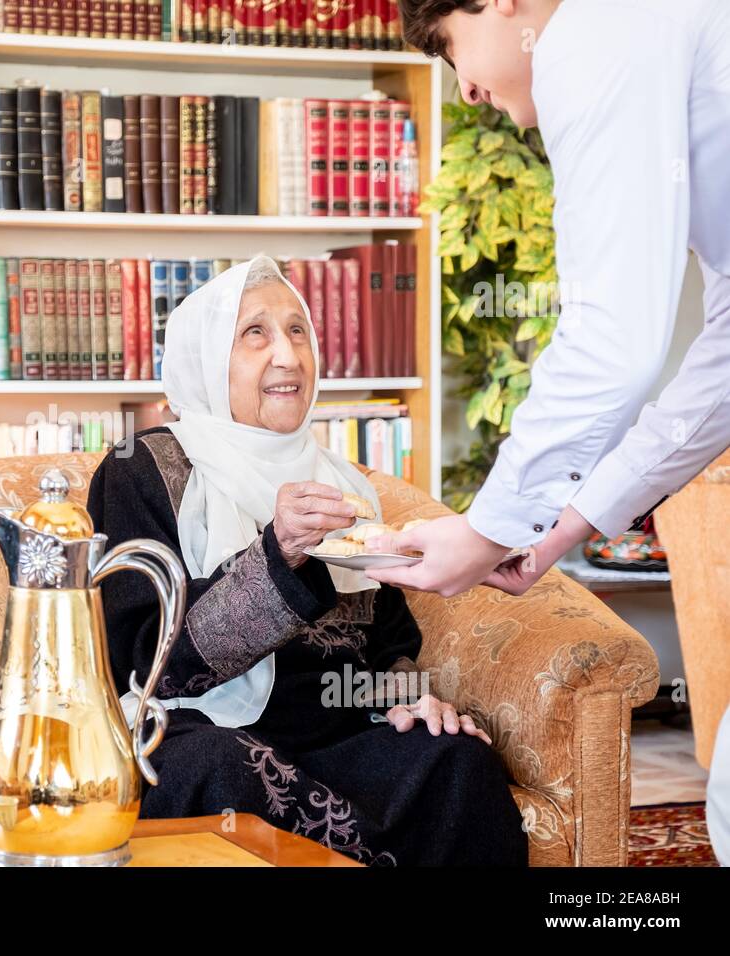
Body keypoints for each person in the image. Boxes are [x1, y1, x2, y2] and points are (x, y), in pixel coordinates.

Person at [375, 0, 730, 864]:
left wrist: (484, 530)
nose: (466, 91)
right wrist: (562, 524)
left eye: (453, 52)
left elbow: (611, 342)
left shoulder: (593, 33)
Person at [87, 255, 528, 866]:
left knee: (455, 761)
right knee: (214, 773)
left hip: (335, 739)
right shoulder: (142, 467)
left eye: (299, 330)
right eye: (255, 333)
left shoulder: (344, 483)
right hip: (199, 733)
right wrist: (278, 551)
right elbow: (144, 661)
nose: (288, 355)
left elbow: (388, 643)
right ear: (208, 360)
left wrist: (408, 699)